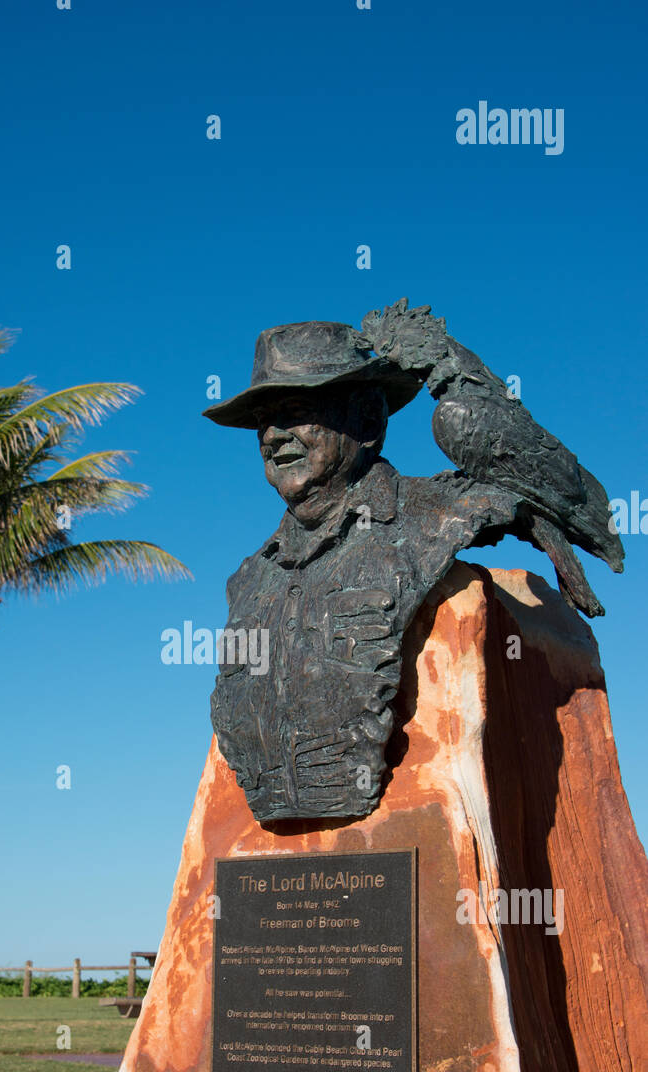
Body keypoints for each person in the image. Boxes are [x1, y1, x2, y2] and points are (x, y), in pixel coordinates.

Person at [204, 306, 622, 822]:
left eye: (297, 410)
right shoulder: (249, 581)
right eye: (266, 420)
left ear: (368, 422)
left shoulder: (442, 517)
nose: (274, 435)